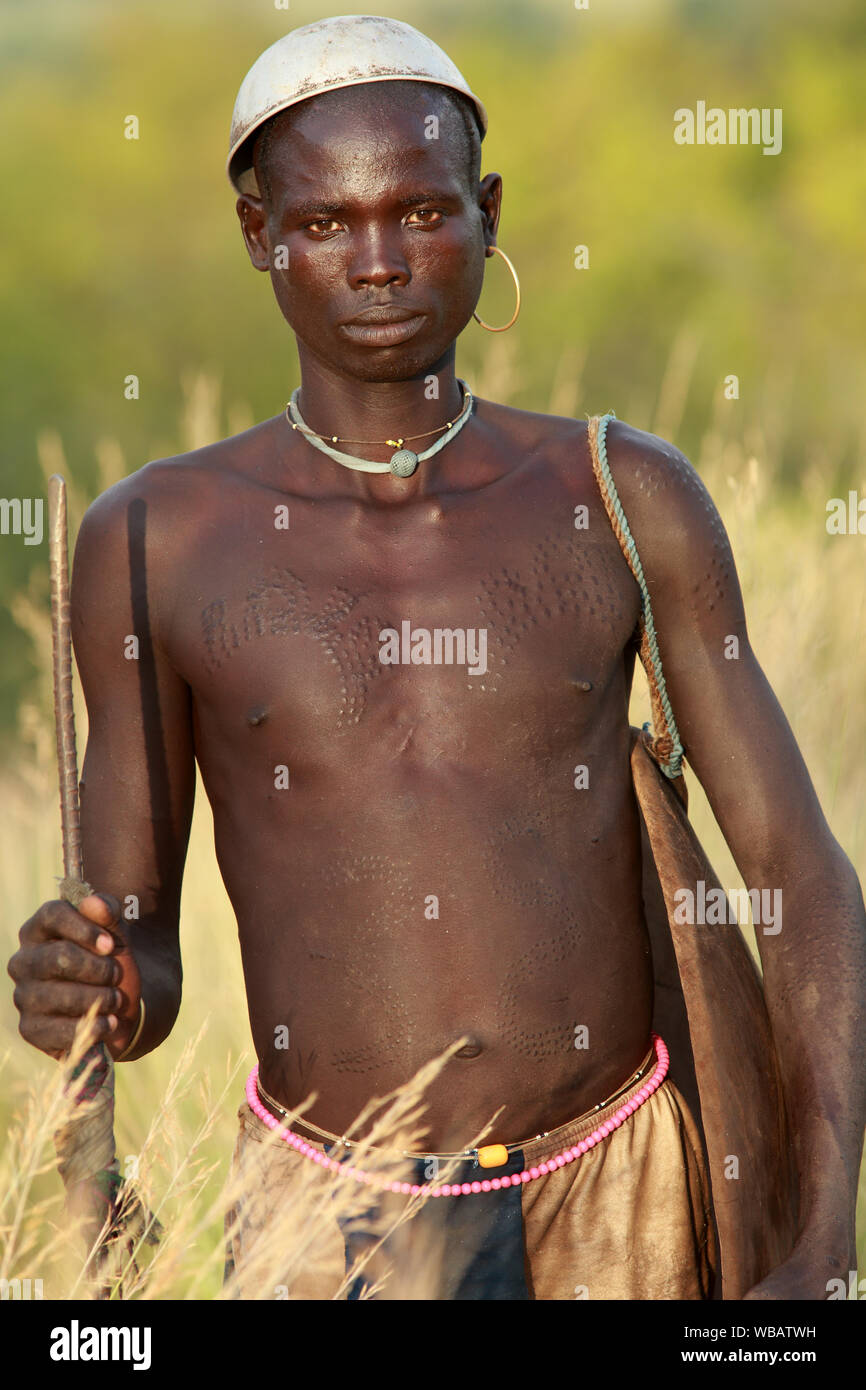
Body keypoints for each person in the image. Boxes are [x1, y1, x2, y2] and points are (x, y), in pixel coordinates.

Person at [8, 15, 866, 1300]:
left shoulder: (621, 496)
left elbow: (795, 871)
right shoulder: (157, 539)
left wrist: (819, 1237)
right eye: (321, 224)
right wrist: (93, 985)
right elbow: (148, 956)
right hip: (330, 1225)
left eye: (418, 212)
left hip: (618, 1194)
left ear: (489, 213)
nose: (374, 261)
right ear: (258, 237)